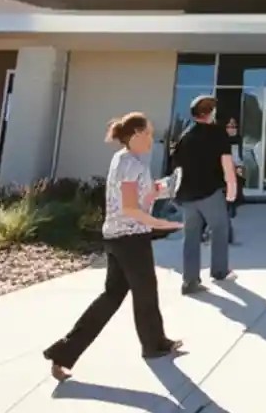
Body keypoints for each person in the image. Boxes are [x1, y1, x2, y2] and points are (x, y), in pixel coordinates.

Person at [43, 112, 184, 381]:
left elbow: (133, 197)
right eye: (149, 134)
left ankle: (63, 353)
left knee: (111, 296)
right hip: (131, 238)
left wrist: (158, 189)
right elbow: (130, 208)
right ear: (135, 135)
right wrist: (161, 224)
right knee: (145, 293)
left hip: (116, 237)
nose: (152, 139)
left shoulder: (123, 160)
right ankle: (154, 346)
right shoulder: (132, 164)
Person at [171, 95, 238, 295]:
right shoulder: (217, 133)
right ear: (210, 112)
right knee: (220, 228)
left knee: (191, 236)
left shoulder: (185, 135)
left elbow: (177, 166)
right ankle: (219, 271)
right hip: (210, 192)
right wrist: (232, 187)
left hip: (188, 194)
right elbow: (226, 163)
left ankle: (189, 281)